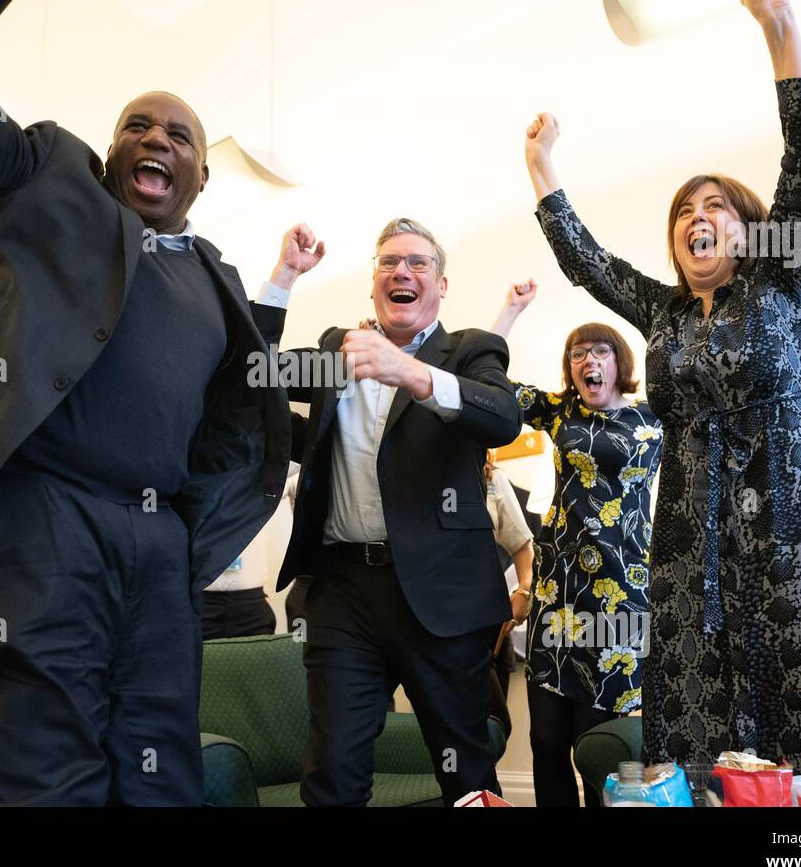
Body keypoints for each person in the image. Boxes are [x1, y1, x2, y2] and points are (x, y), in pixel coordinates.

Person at [0, 0, 310, 805]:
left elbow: (251, 413)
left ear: (201, 177)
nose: (154, 138)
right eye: (136, 126)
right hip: (34, 522)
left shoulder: (217, 280)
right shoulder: (43, 179)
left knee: (161, 777)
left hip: (158, 551)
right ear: (109, 155)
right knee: (44, 774)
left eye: (178, 134)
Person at [521, 0, 801, 805]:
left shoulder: (780, 281)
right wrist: (542, 169)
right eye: (681, 211)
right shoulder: (663, 312)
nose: (695, 218)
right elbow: (590, 264)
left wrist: (781, 30)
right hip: (690, 546)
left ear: (750, 230)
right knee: (711, 711)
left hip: (794, 529)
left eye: (715, 206)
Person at [276, 217, 521, 806]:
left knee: (465, 773)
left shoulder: (468, 351)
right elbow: (258, 377)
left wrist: (407, 371)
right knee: (333, 769)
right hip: (342, 593)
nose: (401, 272)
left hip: (441, 597)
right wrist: (283, 278)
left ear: (440, 286)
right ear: (373, 284)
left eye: (417, 263)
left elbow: (501, 416)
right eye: (388, 263)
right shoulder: (339, 351)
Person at [491, 285, 663, 805]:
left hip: (618, 601)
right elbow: (489, 379)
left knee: (597, 749)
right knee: (545, 739)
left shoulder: (655, 421)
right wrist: (510, 311)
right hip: (556, 595)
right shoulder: (559, 412)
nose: (588, 361)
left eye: (600, 351)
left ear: (619, 363)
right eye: (578, 354)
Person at [483, 450, 534, 737]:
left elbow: (522, 546)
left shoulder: (492, 479)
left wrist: (523, 591)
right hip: (431, 625)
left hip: (488, 628)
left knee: (495, 723)